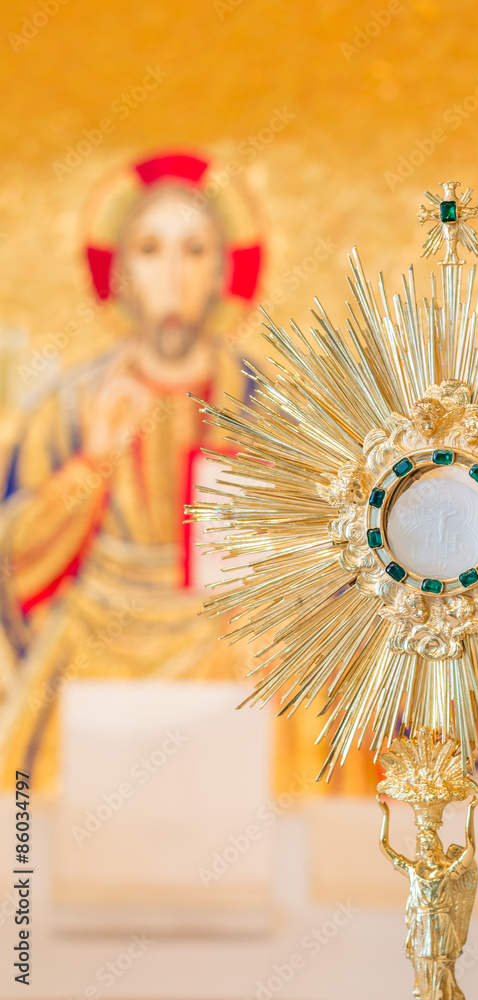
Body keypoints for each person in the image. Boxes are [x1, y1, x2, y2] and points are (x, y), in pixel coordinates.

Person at [0, 152, 263, 789]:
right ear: (119, 275)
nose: (172, 275)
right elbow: (15, 554)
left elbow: (322, 548)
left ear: (223, 273)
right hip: (94, 641)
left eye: (195, 250)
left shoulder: (266, 403)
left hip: (226, 642)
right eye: (150, 250)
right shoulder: (71, 405)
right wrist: (94, 463)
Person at [377, 786, 478, 1000]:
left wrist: (471, 809)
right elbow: (384, 847)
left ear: (437, 846)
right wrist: (385, 814)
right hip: (421, 925)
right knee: (422, 970)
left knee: (441, 971)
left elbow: (470, 849)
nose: (428, 850)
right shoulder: (414, 871)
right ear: (419, 849)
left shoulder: (447, 872)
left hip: (441, 926)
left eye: (431, 845)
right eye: (424, 846)